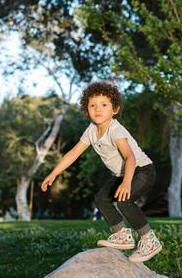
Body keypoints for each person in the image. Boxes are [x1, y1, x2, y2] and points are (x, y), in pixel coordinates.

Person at [41, 82, 163, 262]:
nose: (98, 109)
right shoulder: (91, 131)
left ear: (115, 109)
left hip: (142, 171)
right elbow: (74, 153)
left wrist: (126, 183)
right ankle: (122, 235)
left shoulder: (115, 130)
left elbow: (130, 158)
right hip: (123, 175)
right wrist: (53, 173)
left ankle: (150, 240)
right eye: (93, 105)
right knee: (100, 198)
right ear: (86, 109)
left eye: (104, 105)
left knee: (124, 201)